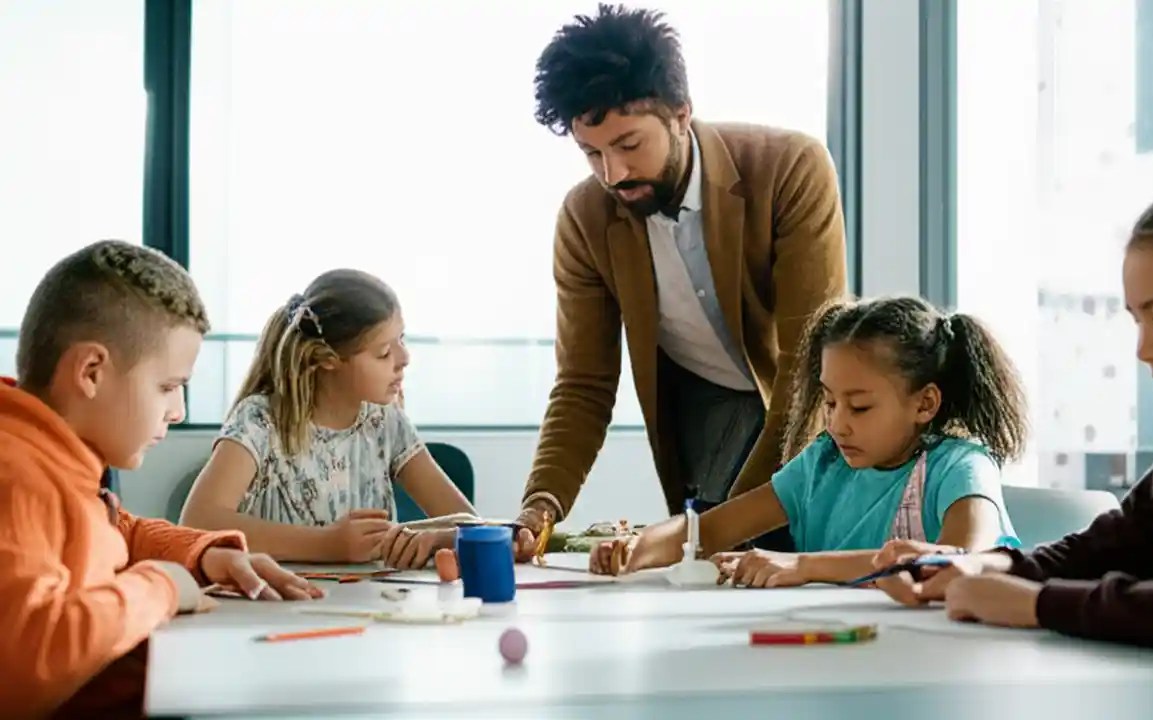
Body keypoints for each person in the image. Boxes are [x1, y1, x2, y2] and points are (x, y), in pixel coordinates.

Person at [877, 171, 1153, 659]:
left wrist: (1039, 605)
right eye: (1139, 321)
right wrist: (987, 567)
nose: (1145, 350)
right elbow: (1107, 548)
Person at [515, 4, 848, 552]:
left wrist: (724, 530)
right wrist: (541, 505)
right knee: (705, 570)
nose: (613, 173)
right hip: (704, 408)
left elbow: (807, 366)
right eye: (591, 153)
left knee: (771, 552)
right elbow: (584, 383)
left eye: (629, 145)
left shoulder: (789, 168)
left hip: (802, 398)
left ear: (681, 114)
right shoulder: (585, 219)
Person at [0, 241, 321, 717]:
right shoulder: (17, 476)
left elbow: (117, 530)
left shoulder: (51, 459)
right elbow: (24, 668)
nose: (178, 411)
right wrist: (160, 587)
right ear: (91, 372)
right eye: (167, 387)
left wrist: (203, 556)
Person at [590, 295, 1026, 586]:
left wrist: (805, 566)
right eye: (830, 402)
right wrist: (639, 548)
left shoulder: (960, 467)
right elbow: (711, 529)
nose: (837, 424)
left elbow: (960, 560)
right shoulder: (823, 463)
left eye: (859, 407)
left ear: (925, 403)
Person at [181, 269, 532, 568]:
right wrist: (325, 545)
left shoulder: (385, 422)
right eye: (384, 352)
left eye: (401, 339)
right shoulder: (261, 421)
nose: (404, 358)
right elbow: (197, 521)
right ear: (327, 359)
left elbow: (469, 523)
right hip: (278, 611)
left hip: (371, 612)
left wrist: (436, 538)